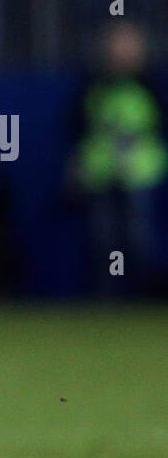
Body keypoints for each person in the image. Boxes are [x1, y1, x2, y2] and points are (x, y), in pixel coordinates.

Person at [69, 21, 166, 297]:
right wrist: (77, 165)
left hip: (139, 176)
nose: (122, 52)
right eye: (117, 45)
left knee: (138, 240)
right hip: (101, 174)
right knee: (103, 240)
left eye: (128, 45)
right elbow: (76, 129)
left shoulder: (151, 84)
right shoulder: (93, 84)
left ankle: (141, 298)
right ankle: (107, 299)